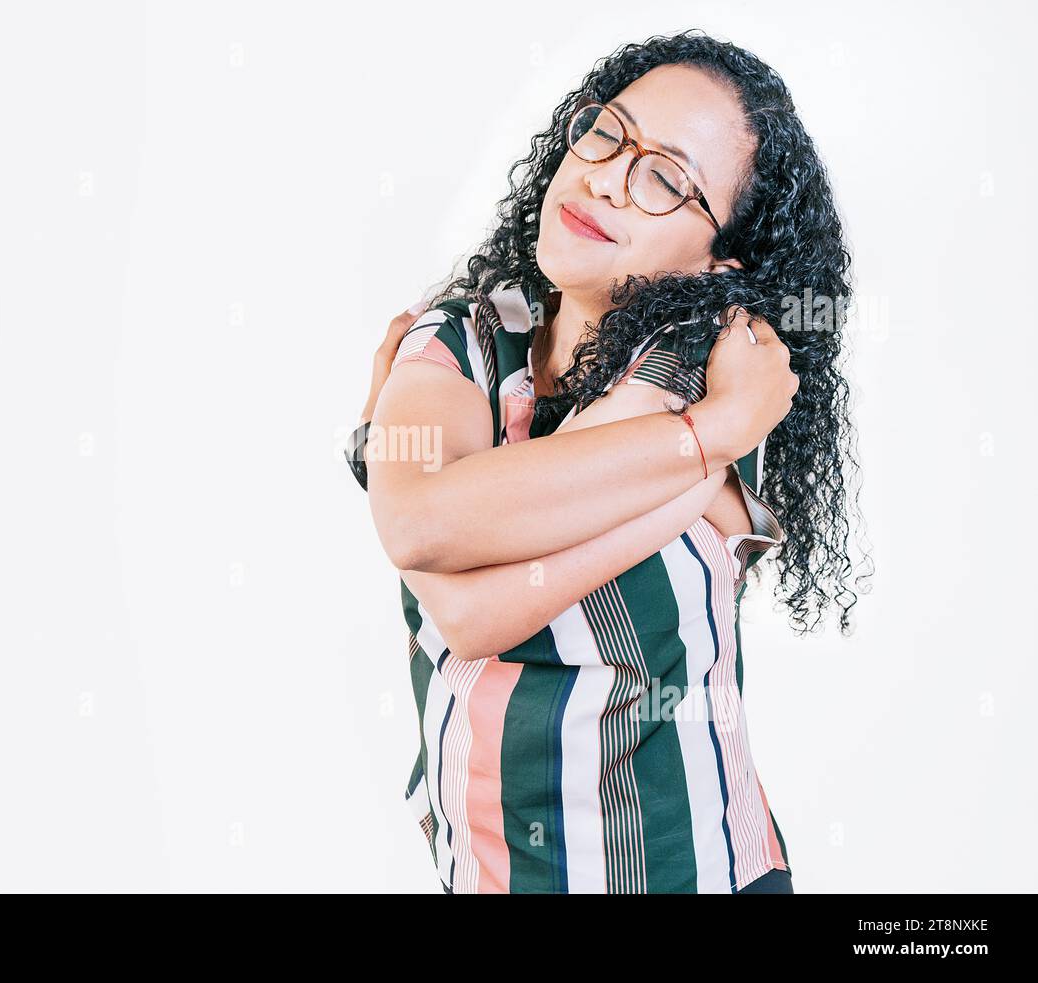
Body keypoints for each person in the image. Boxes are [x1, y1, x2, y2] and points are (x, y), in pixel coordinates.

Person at [345, 30, 870, 893]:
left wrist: (390, 464)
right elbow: (424, 523)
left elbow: (465, 600)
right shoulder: (467, 333)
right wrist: (705, 445)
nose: (604, 177)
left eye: (665, 177)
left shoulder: (706, 363)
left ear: (718, 263)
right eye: (607, 132)